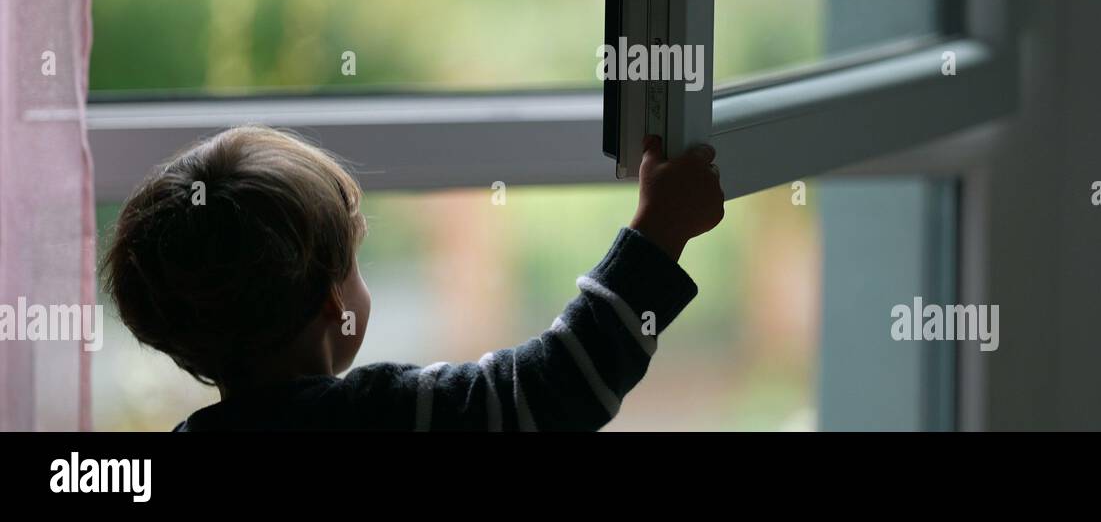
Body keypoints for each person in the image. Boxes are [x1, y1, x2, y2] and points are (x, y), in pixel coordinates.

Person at [100, 125, 724, 431]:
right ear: (330, 303)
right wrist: (655, 236)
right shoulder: (385, 417)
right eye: (354, 260)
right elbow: (553, 388)